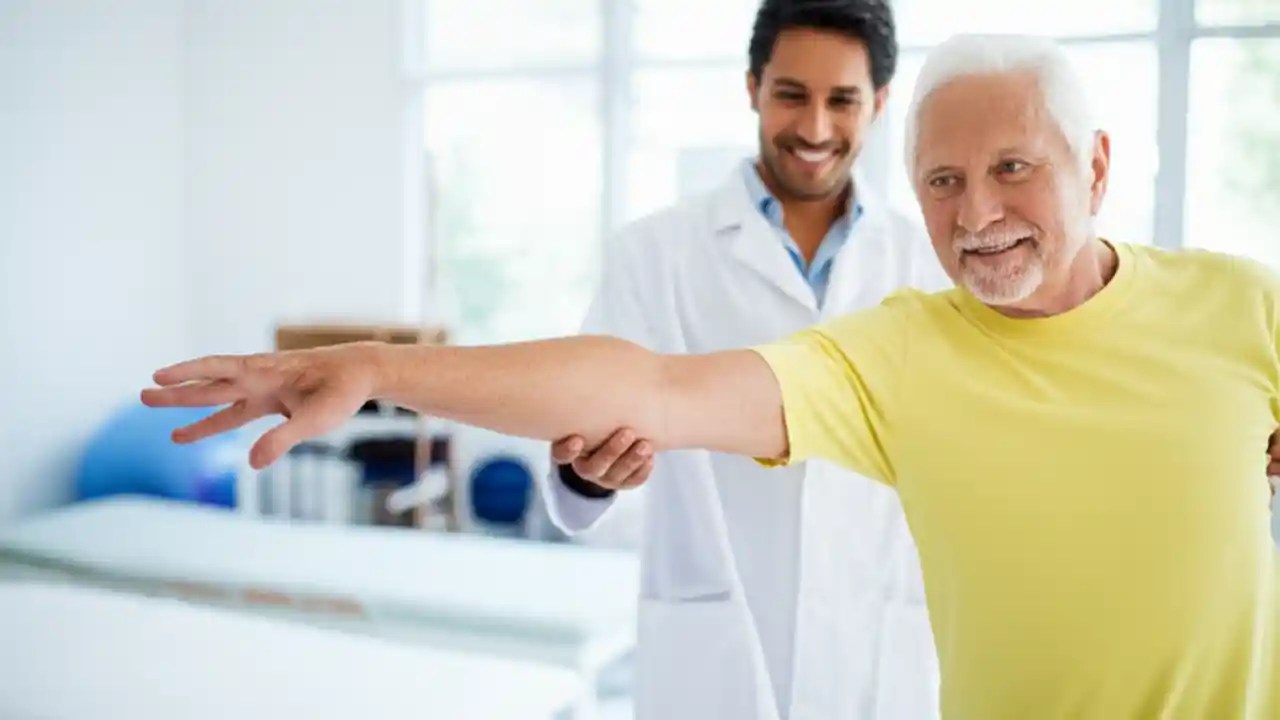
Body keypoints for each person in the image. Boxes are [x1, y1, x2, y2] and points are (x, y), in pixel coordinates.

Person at [143, 33, 1280, 719]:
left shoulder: (1240, 306)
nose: (973, 214)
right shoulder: (903, 348)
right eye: (939, 181)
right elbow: (643, 386)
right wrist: (377, 368)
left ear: (1093, 163)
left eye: (1010, 169)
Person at [536, 0, 949, 717]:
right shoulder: (653, 255)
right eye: (791, 94)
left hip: (878, 667)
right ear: (752, 86)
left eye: (842, 101)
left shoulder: (927, 265)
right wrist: (589, 474)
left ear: (880, 103)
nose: (815, 129)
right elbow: (582, 477)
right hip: (712, 663)